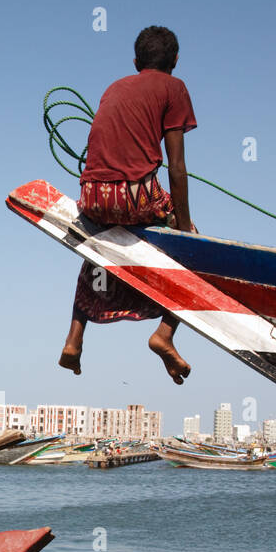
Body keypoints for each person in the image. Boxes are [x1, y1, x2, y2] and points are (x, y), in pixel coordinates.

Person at [61, 25, 197, 385]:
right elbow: (177, 167)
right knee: (192, 248)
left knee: (99, 249)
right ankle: (164, 334)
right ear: (176, 61)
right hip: (133, 195)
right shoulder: (175, 87)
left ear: (136, 61)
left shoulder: (113, 87)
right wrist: (184, 224)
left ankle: (74, 339)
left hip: (91, 195)